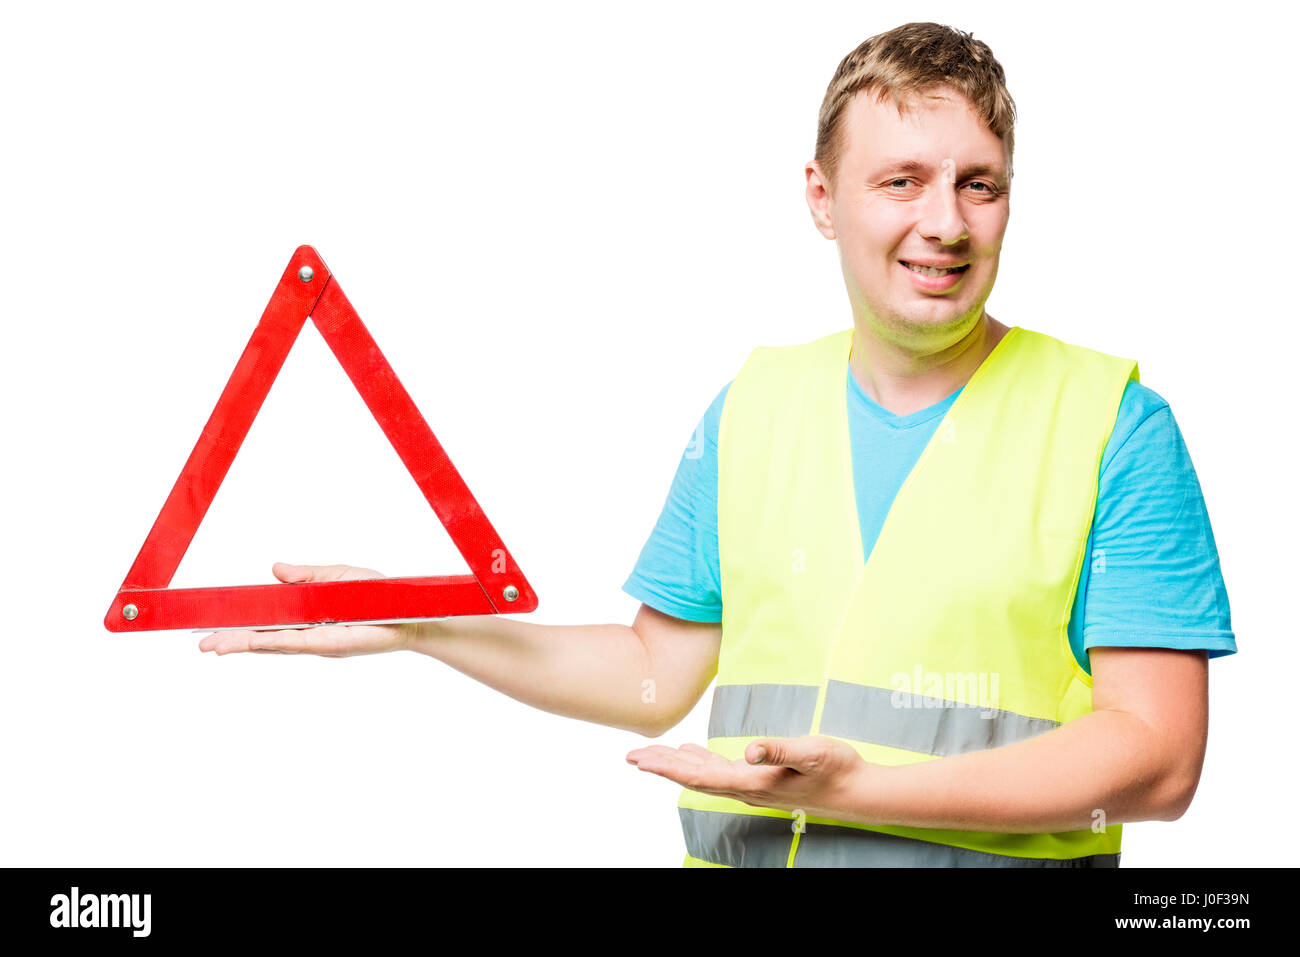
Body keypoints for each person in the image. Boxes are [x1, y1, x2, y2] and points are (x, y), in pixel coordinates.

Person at [199, 22, 1236, 867]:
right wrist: (420, 624)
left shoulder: (1110, 423)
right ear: (821, 200)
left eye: (979, 183)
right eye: (901, 181)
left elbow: (1157, 762)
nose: (945, 223)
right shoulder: (755, 406)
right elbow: (653, 673)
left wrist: (860, 792)